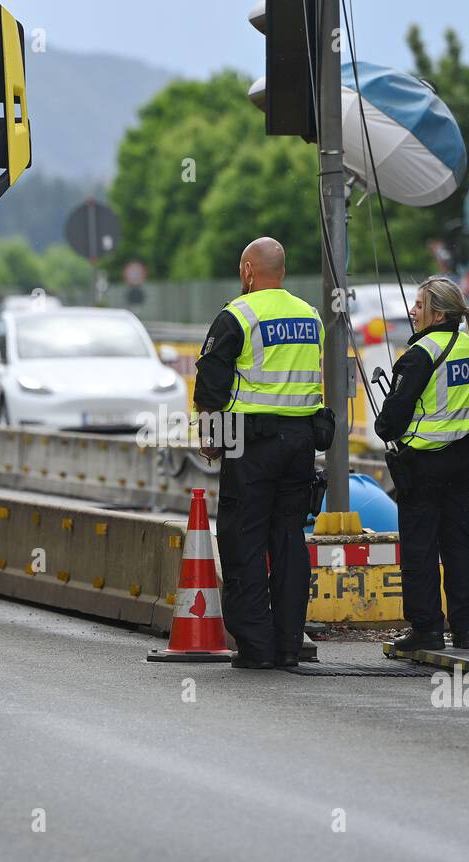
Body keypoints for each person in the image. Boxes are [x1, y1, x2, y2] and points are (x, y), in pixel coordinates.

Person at [194, 238, 323, 669]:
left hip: (250, 444)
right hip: (301, 442)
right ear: (281, 271)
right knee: (288, 540)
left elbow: (211, 383)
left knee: (243, 540)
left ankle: (256, 647)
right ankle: (289, 644)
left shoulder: (238, 314)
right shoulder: (311, 316)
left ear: (249, 270)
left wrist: (212, 437)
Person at [374, 276, 469, 652]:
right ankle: (466, 628)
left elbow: (392, 418)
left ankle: (427, 629)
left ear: (438, 313)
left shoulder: (421, 353)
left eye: (420, 304)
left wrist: (385, 426)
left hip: (423, 464)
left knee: (420, 548)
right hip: (463, 461)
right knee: (458, 543)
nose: (413, 311)